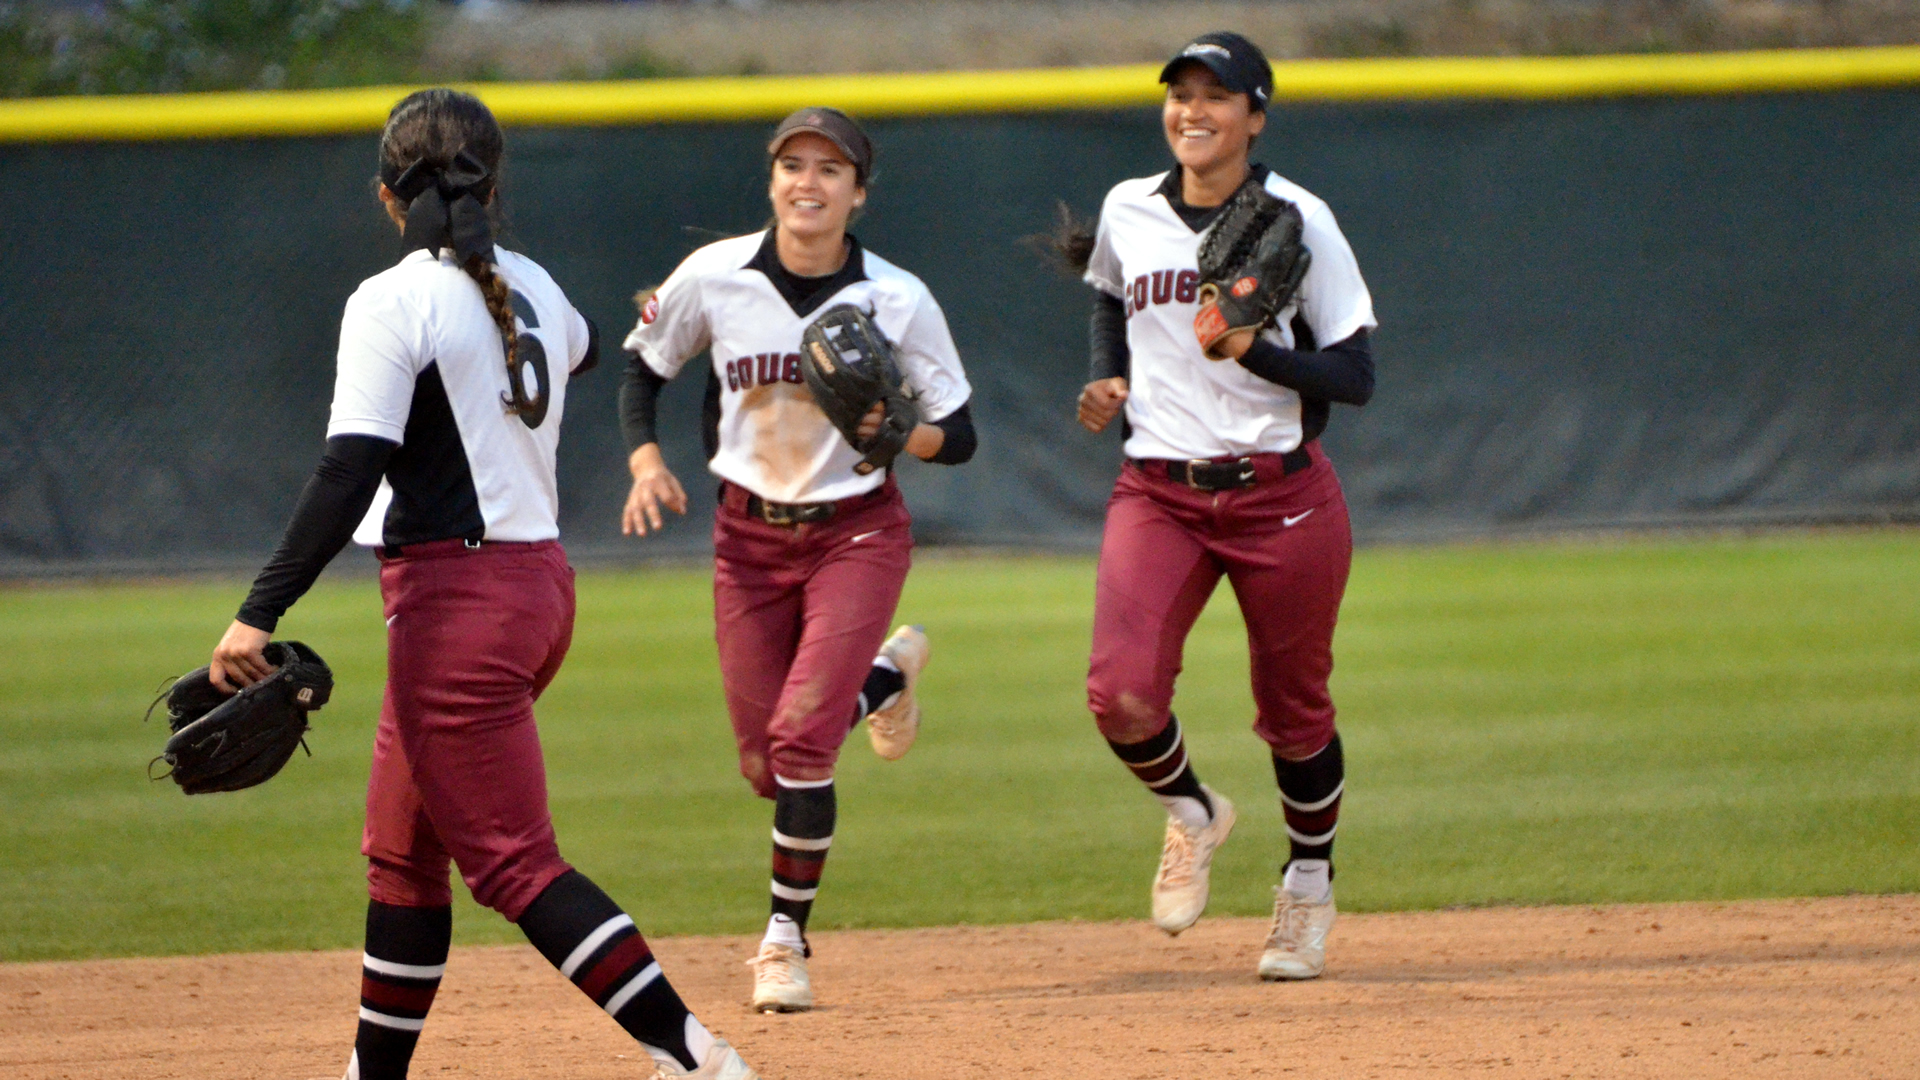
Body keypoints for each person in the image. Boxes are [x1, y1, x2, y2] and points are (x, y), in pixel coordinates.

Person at [204, 89, 762, 1080]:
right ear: (493, 187)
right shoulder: (536, 286)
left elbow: (349, 471)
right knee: (404, 855)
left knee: (511, 863)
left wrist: (258, 612)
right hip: (533, 588)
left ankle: (695, 1057)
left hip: (456, 607)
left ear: (387, 194)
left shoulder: (392, 298)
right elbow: (588, 343)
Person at [617, 106, 976, 1013]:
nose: (807, 183)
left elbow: (961, 435)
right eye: (792, 166)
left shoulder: (898, 297)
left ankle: (783, 942)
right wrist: (646, 457)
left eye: (829, 169)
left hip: (855, 532)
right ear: (772, 180)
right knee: (764, 766)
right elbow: (644, 367)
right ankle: (887, 681)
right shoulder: (716, 275)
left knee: (802, 743)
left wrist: (907, 432)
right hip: (746, 541)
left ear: (859, 193)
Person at [1066, 32, 1376, 980]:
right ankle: (1195, 813)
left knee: (1294, 714)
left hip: (1280, 499)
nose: (1192, 112)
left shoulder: (1300, 218)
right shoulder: (1129, 207)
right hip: (1158, 491)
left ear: (1255, 116)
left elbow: (1356, 374)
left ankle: (1308, 887)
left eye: (1216, 96)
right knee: (1118, 693)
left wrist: (1257, 353)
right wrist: (1107, 381)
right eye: (1180, 95)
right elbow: (1110, 299)